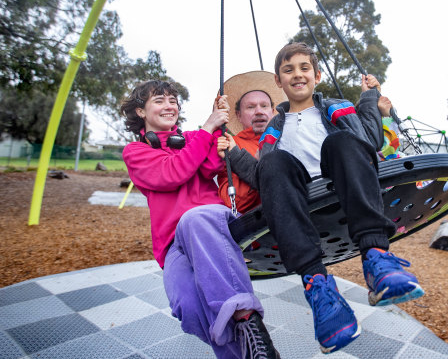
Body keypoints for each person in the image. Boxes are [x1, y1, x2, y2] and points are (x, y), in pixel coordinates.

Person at [221, 42, 422, 354]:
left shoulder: (336, 108)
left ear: (316, 76)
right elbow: (265, 178)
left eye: (304, 68)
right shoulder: (273, 130)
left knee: (343, 141)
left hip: (343, 188)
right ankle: (318, 288)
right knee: (271, 163)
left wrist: (369, 96)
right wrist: (233, 153)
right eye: (288, 70)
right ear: (279, 82)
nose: (297, 75)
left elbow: (369, 139)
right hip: (302, 205)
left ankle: (377, 259)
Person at [120, 80, 279, 359]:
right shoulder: (136, 152)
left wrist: (223, 129)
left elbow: (214, 163)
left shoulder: (196, 139)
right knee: (189, 308)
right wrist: (207, 129)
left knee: (195, 217)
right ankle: (250, 353)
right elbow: (172, 173)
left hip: (210, 224)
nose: (169, 106)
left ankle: (247, 318)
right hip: (173, 243)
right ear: (140, 112)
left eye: (173, 101)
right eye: (159, 101)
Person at [217, 71, 287, 214]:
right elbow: (233, 203)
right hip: (260, 227)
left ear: (273, 112)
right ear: (238, 115)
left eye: (264, 106)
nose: (259, 111)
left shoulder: (289, 138)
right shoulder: (229, 145)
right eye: (250, 107)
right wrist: (257, 166)